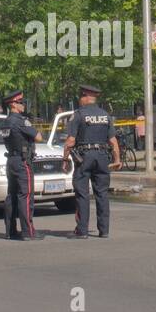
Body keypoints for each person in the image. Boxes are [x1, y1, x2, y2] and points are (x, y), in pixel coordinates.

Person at [62, 85, 122, 239]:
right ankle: (104, 230)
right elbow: (113, 141)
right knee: (102, 193)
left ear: (85, 97)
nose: (79, 100)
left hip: (84, 157)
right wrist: (117, 159)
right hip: (102, 157)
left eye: (80, 97)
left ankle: (82, 231)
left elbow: (70, 141)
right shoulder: (105, 115)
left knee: (82, 194)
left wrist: (65, 159)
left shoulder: (78, 115)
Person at [0, 90, 43, 240]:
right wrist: (30, 125)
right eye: (21, 103)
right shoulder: (20, 121)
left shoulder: (5, 122)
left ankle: (10, 231)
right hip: (23, 162)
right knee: (26, 196)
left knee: (11, 196)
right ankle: (28, 231)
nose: (24, 105)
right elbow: (38, 137)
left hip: (11, 160)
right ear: (13, 105)